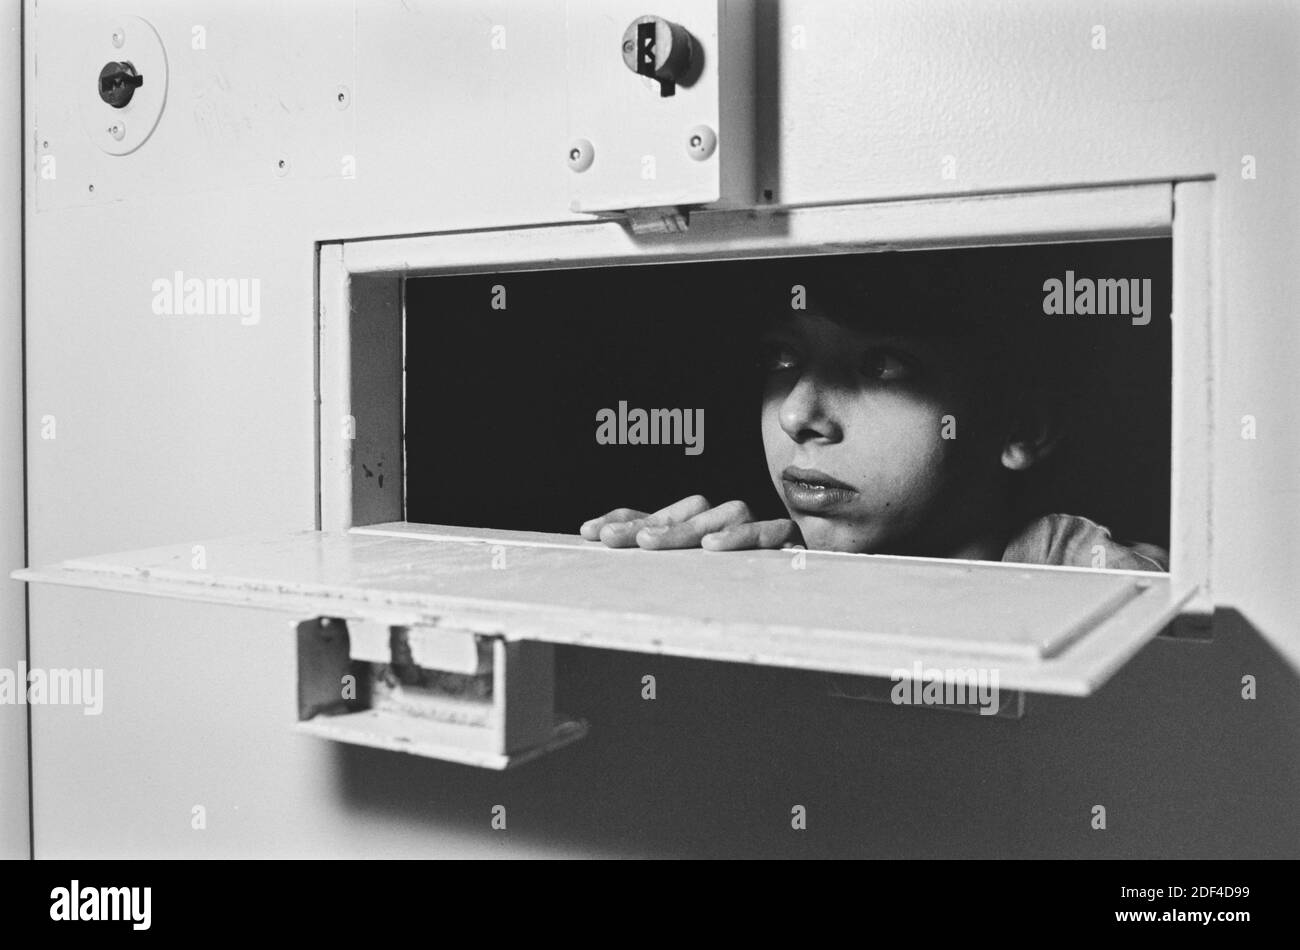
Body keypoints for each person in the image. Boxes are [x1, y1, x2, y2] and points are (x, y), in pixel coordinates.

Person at [579, 253, 1168, 572]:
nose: (796, 414)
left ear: (1020, 429)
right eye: (783, 357)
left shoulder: (1094, 583)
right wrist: (684, 586)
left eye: (882, 365)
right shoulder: (772, 565)